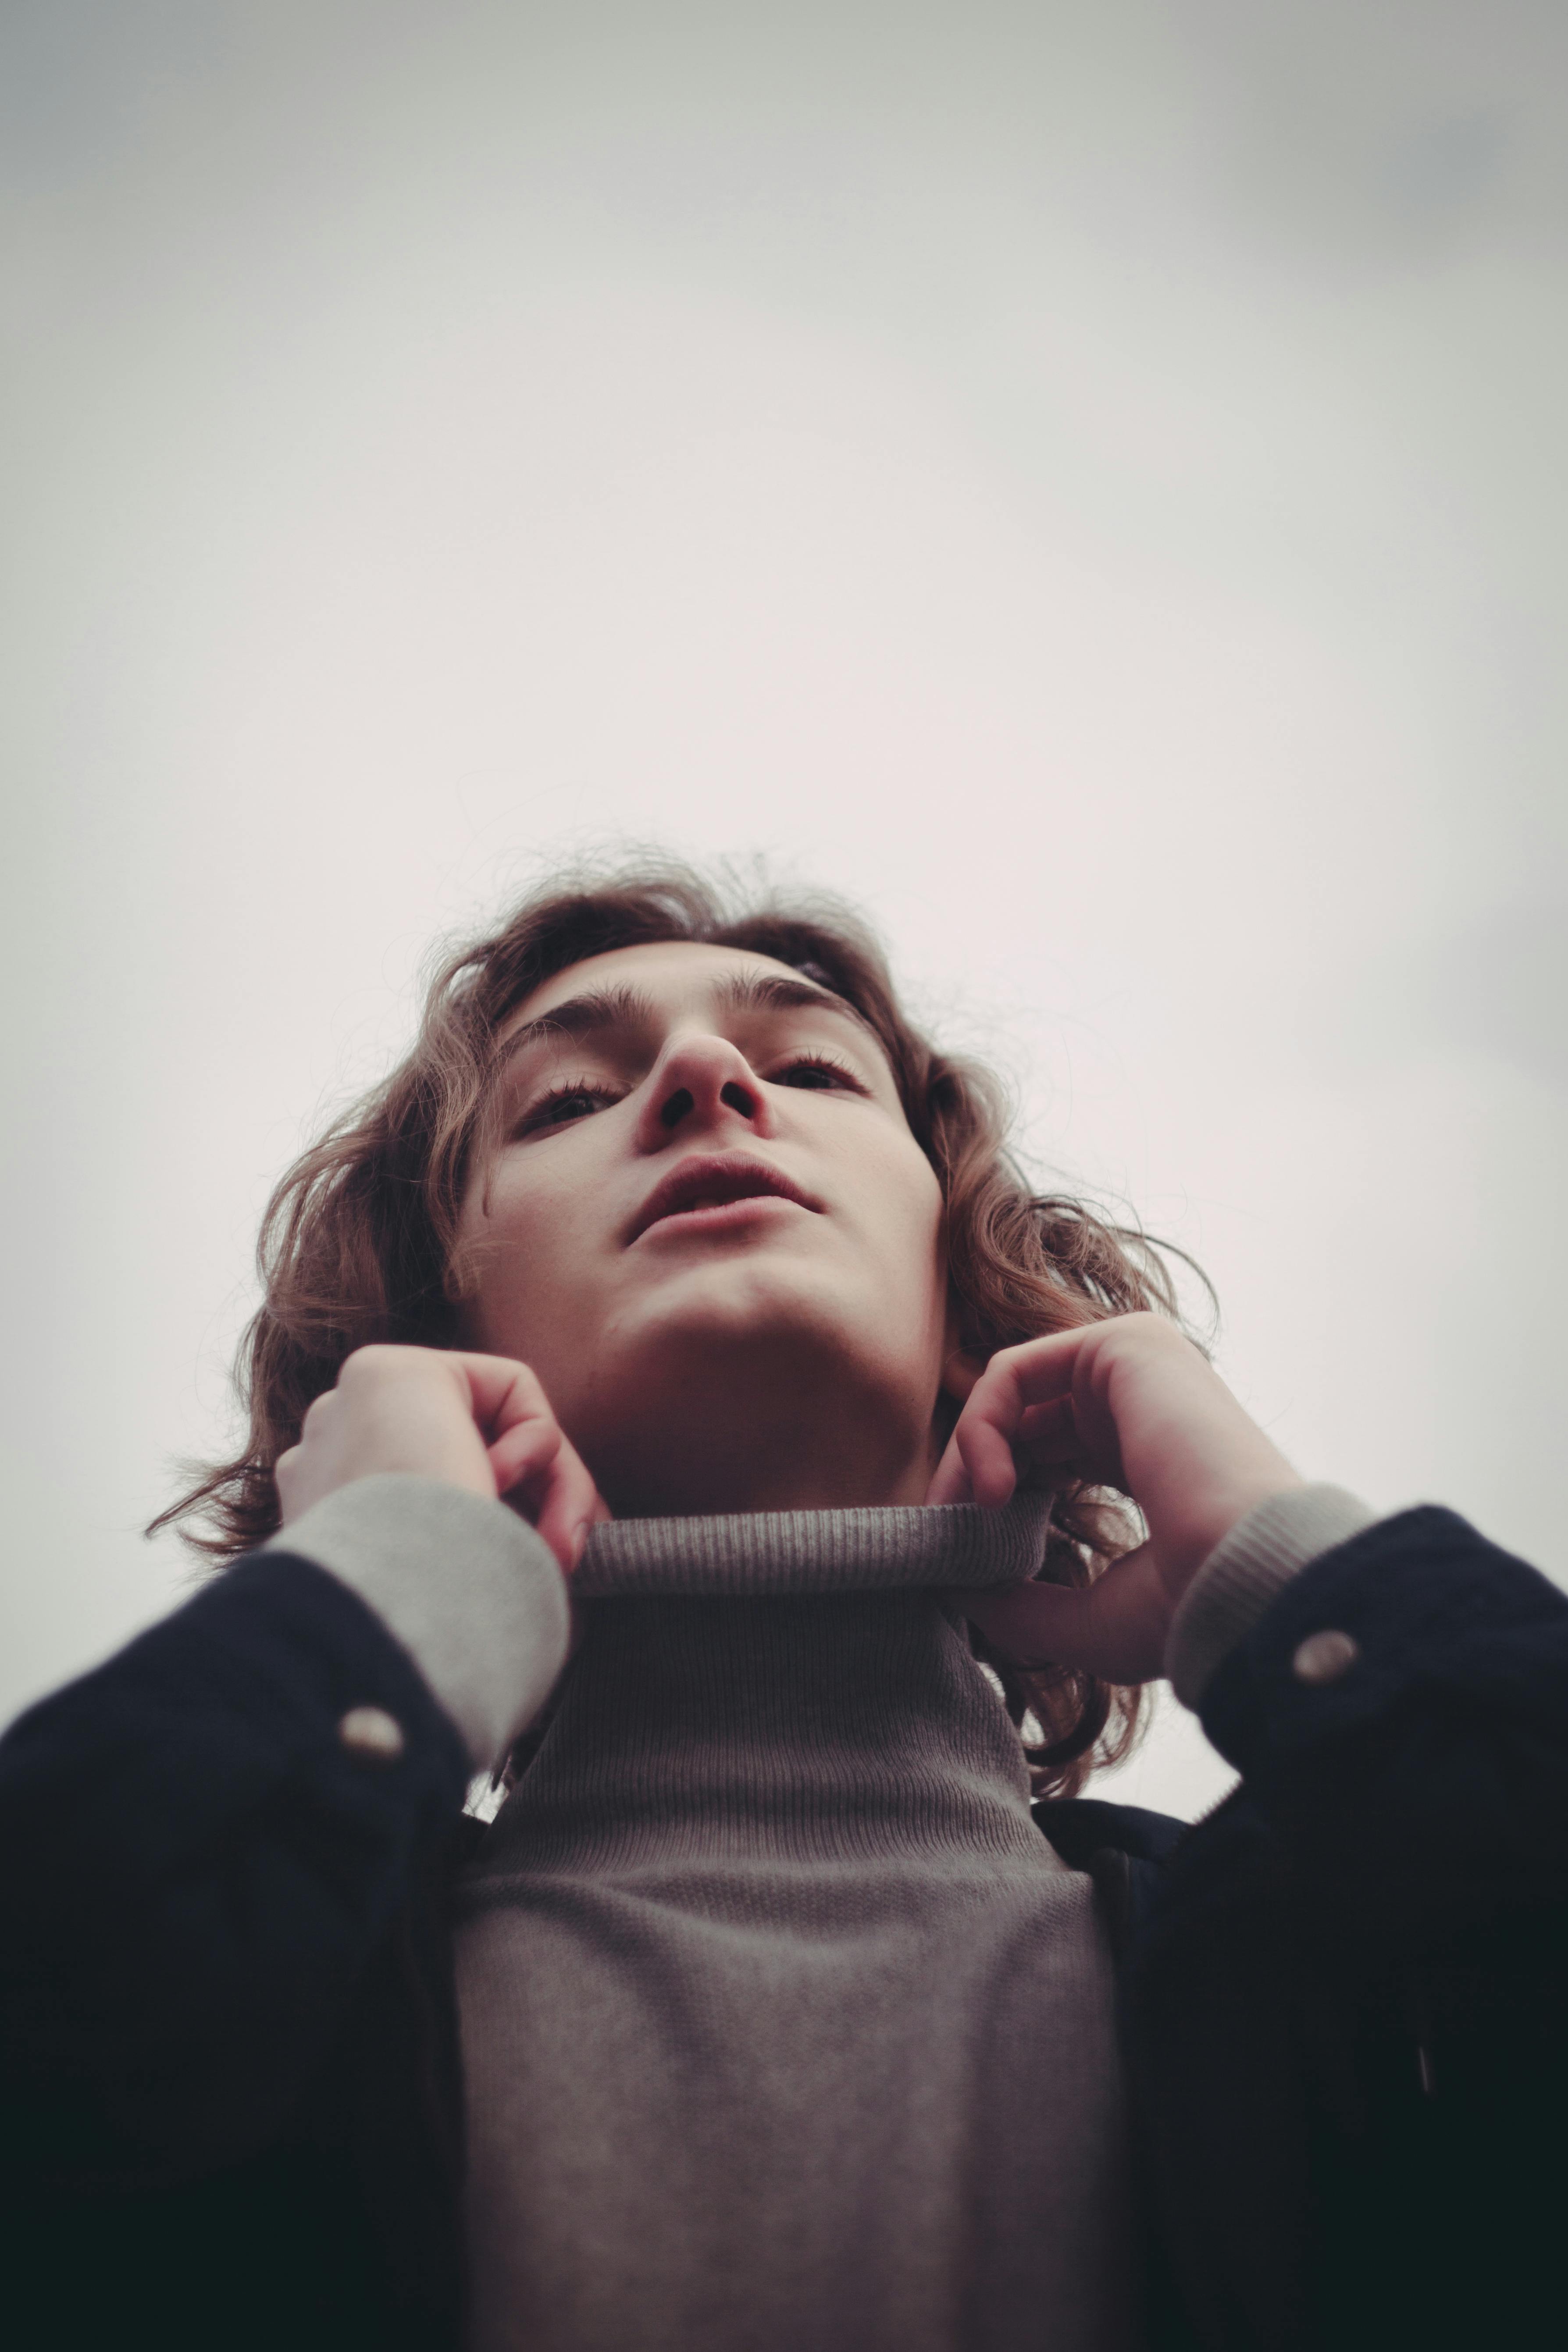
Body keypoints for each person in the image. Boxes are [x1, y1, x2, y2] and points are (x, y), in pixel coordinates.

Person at [1, 862, 1563, 2352]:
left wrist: (1288, 1558)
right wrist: (380, 1584)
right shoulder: (288, 1988)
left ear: (967, 1293)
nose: (700, 1075)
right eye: (566, 1100)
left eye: (813, 1069)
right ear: (435, 1324)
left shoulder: (1338, 1958)